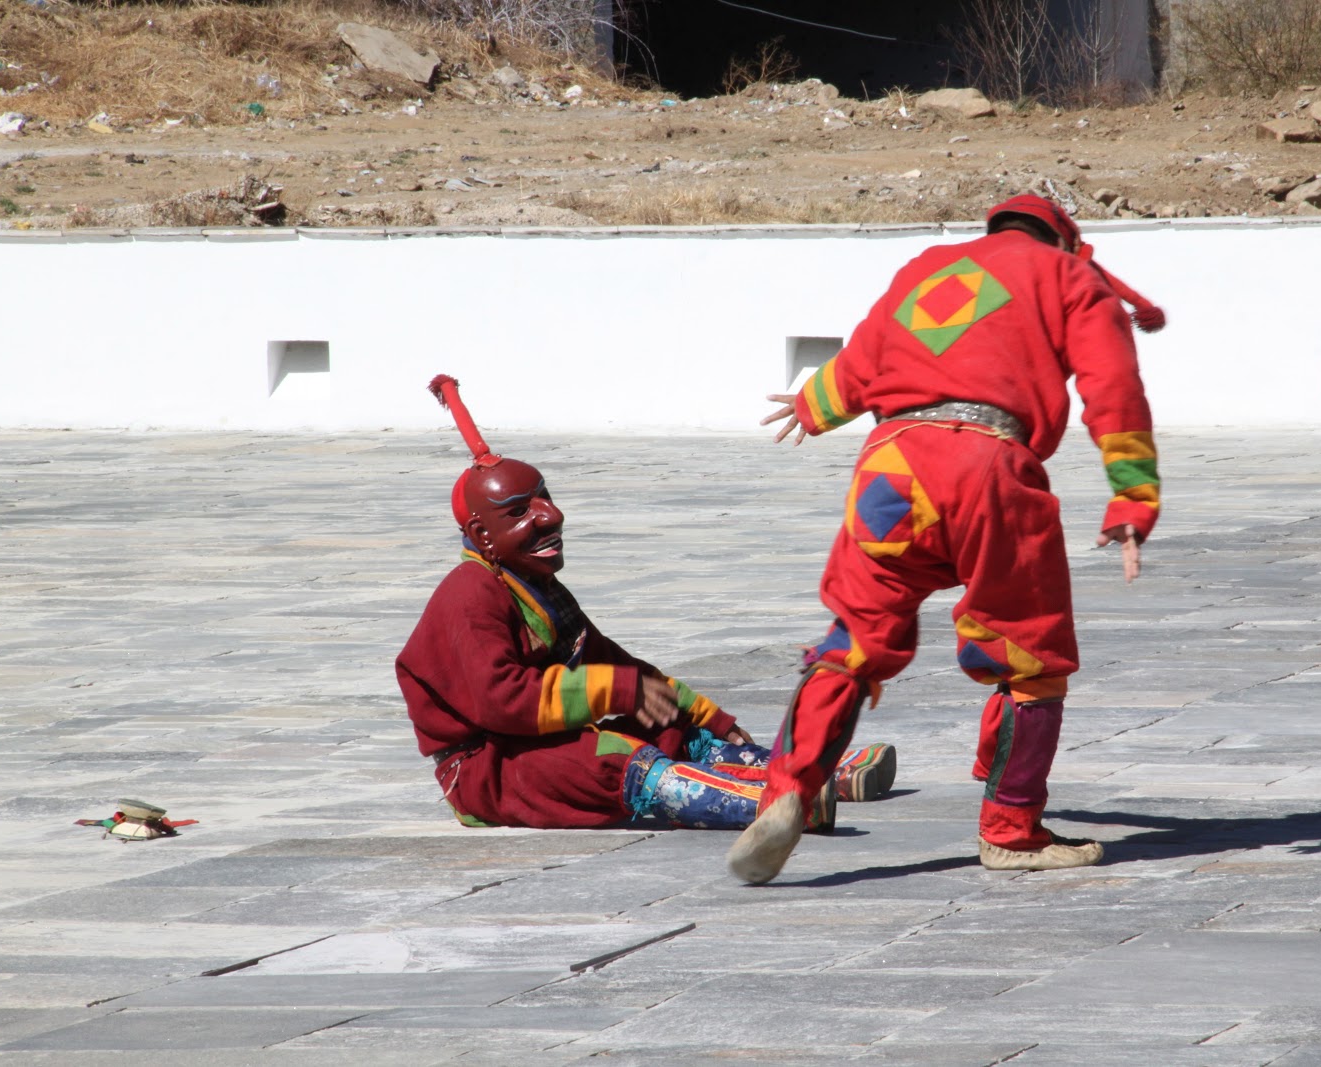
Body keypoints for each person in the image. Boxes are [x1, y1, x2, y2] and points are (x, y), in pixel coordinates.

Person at [728, 193, 1164, 884]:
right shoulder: (1071, 277)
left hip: (891, 464)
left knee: (855, 638)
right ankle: (1011, 829)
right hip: (989, 465)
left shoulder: (928, 267)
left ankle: (786, 791)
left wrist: (813, 407)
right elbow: (1113, 386)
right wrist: (1132, 497)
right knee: (1029, 654)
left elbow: (865, 356)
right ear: (1064, 239)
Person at [396, 375, 898, 833]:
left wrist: (703, 715)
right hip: (491, 769)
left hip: (530, 743)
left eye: (546, 498)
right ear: (483, 536)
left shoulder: (536, 587)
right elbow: (503, 700)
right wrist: (618, 690)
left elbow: (612, 664)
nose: (552, 516)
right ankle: (774, 804)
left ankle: (801, 770)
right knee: (611, 758)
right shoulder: (470, 593)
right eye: (522, 511)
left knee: (665, 721)